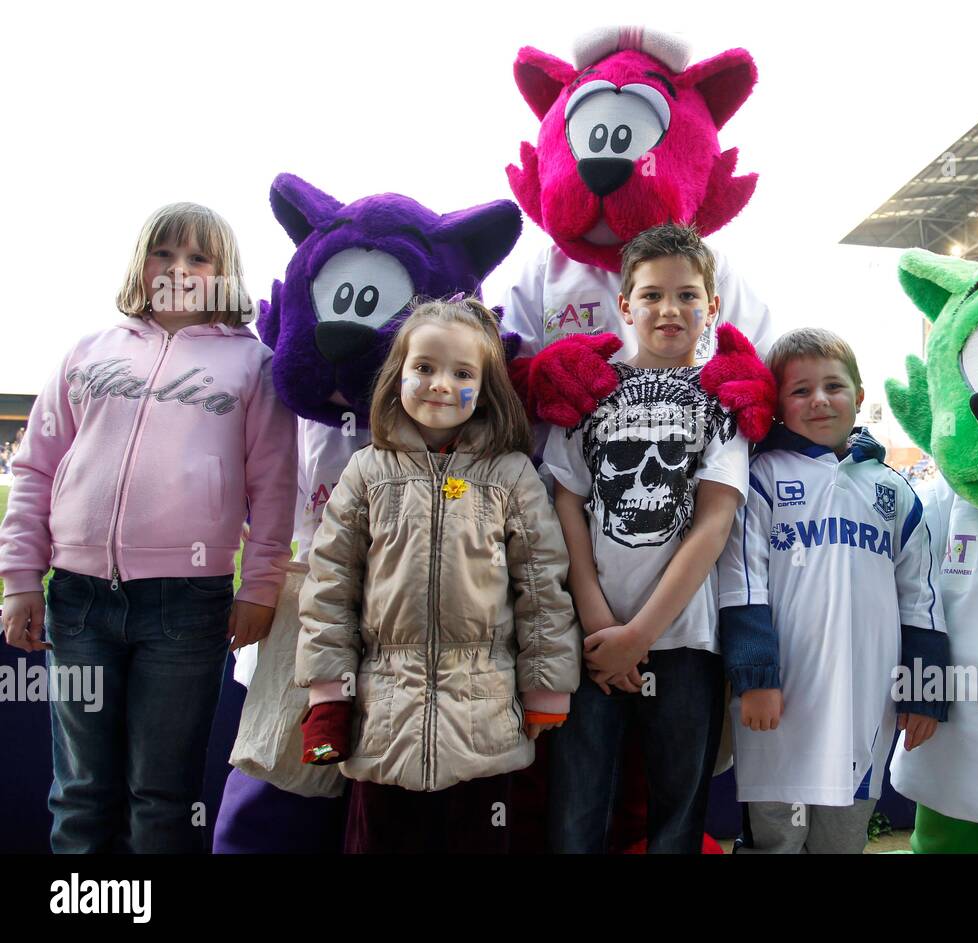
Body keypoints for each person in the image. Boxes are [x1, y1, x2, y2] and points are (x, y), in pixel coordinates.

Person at [0, 202, 297, 853]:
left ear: (224, 273)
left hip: (187, 606)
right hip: (76, 600)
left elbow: (275, 489)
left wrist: (261, 587)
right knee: (78, 793)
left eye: (198, 257)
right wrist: (21, 579)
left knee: (160, 799)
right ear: (143, 262)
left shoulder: (255, 367)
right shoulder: (87, 351)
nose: (179, 268)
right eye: (165, 252)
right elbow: (35, 467)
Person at [295, 298, 581, 853]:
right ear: (398, 373)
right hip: (382, 717)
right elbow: (330, 587)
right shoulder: (367, 471)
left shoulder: (511, 475)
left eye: (462, 373)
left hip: (485, 715)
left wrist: (546, 685)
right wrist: (329, 697)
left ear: (486, 386)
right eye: (424, 367)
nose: (440, 385)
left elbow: (542, 587)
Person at [544, 224, 749, 853]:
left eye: (688, 295)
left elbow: (713, 524)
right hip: (594, 635)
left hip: (684, 641)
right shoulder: (591, 392)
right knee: (576, 808)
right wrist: (600, 619)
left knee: (677, 812)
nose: (670, 309)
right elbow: (568, 504)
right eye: (652, 295)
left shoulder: (724, 401)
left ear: (712, 307)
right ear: (625, 305)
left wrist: (642, 635)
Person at [716, 328, 949, 853]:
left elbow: (921, 598)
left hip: (865, 701)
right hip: (778, 700)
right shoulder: (761, 478)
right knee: (776, 838)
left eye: (833, 386)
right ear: (778, 403)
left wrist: (925, 690)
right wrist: (755, 677)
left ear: (860, 397)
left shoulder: (892, 489)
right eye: (799, 391)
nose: (818, 400)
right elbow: (741, 583)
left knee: (842, 841)